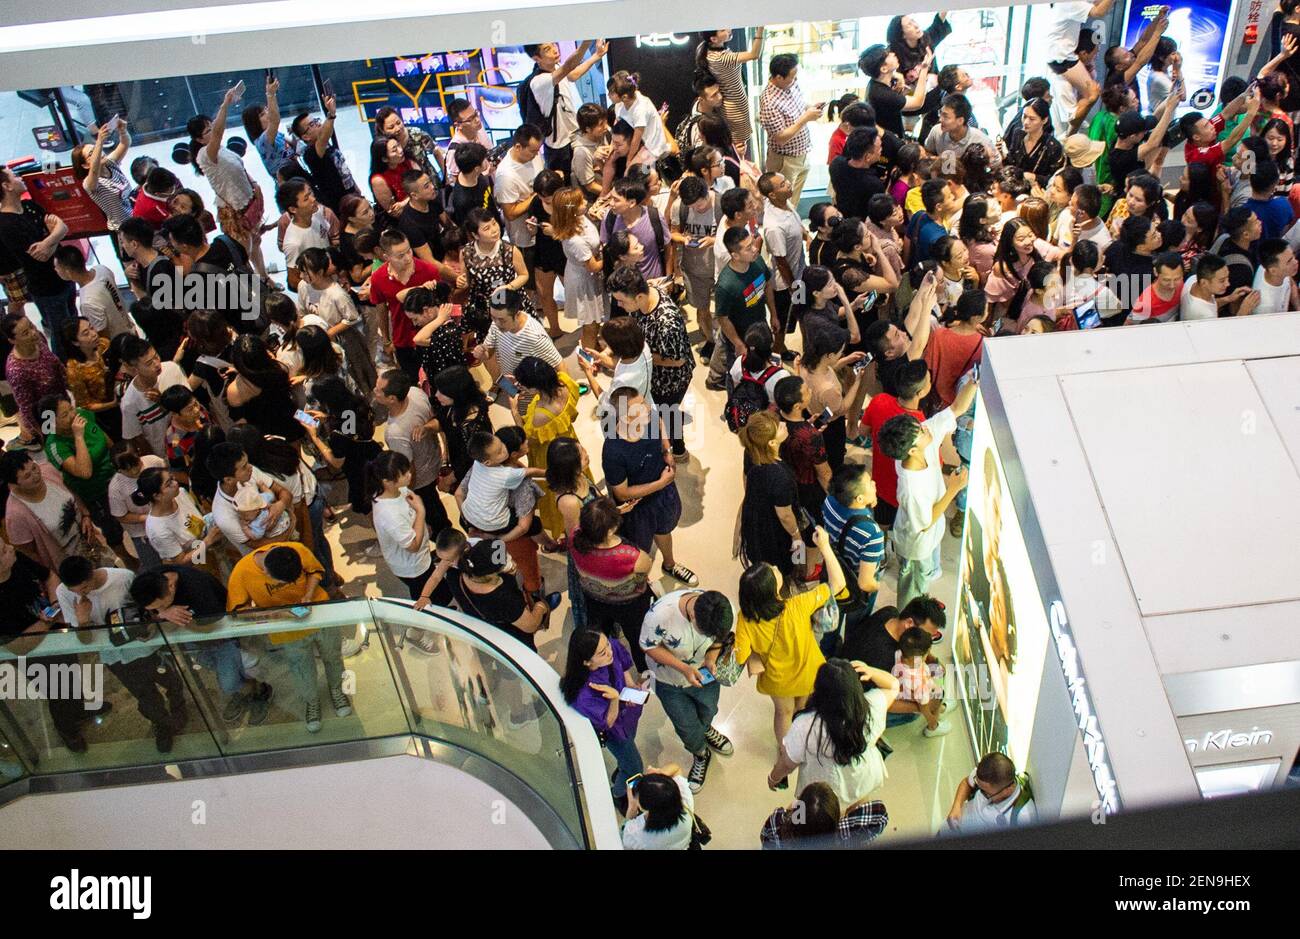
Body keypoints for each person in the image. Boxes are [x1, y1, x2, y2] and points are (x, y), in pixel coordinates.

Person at [57, 555, 189, 753]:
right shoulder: (65, 593)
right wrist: (82, 621)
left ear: (92, 572)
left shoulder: (123, 578)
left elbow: (150, 608)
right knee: (145, 695)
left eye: (84, 587)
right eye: (74, 590)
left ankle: (179, 708)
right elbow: (85, 641)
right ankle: (162, 725)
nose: (82, 594)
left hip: (147, 647)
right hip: (116, 658)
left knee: (172, 681)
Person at [734, 524, 848, 748]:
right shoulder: (798, 605)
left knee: (782, 713)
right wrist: (825, 547)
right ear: (773, 589)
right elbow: (838, 584)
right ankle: (800, 743)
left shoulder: (745, 618)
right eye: (773, 571)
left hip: (777, 680)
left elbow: (740, 657)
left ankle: (785, 751)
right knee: (801, 707)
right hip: (808, 671)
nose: (777, 568)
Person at [226, 542, 349, 733]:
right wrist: (274, 614)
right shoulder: (242, 572)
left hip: (320, 615)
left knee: (333, 655)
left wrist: (308, 594)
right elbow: (238, 611)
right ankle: (311, 701)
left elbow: (315, 571)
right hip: (287, 631)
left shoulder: (297, 549)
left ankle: (337, 690)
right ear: (267, 572)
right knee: (300, 667)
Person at [878, 374, 978, 608]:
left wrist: (975, 381)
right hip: (916, 545)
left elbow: (956, 408)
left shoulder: (923, 439)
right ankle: (913, 620)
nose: (926, 429)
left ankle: (922, 602)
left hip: (930, 535)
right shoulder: (911, 488)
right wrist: (953, 489)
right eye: (920, 432)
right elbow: (924, 522)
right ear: (911, 450)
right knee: (914, 583)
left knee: (927, 574)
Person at [129, 565, 274, 725]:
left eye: (160, 606)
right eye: (154, 609)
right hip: (193, 639)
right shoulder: (152, 580)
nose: (160, 611)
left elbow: (211, 627)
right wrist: (162, 613)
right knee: (215, 667)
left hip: (220, 634)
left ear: (170, 587)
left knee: (228, 683)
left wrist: (180, 618)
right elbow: (154, 612)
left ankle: (259, 691)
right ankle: (244, 687)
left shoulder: (197, 587)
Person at [0, 536, 103, 752]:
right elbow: (18, 646)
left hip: (54, 632)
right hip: (35, 652)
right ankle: (67, 729)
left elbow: (48, 576)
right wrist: (48, 619)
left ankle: (79, 708)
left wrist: (56, 605)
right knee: (56, 690)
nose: (11, 547)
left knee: (71, 672)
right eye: (3, 551)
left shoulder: (17, 559)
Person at [638, 587, 734, 793]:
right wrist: (683, 668)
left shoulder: (723, 610)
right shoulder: (659, 615)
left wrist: (711, 657)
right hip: (669, 681)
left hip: (705, 676)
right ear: (692, 615)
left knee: (708, 709)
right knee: (686, 724)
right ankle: (700, 753)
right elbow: (648, 646)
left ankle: (707, 729)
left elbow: (720, 639)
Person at [766, 657, 900, 801]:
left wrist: (773, 778)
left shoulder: (806, 724)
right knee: (858, 804)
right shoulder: (872, 706)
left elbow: (788, 762)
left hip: (823, 789)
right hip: (863, 778)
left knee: (819, 815)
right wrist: (870, 671)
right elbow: (893, 685)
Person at [601, 386, 697, 586]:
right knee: (638, 549)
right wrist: (661, 483)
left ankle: (669, 564)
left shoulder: (648, 418)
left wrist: (667, 449)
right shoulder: (613, 451)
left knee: (664, 530)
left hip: (663, 496)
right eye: (640, 407)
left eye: (644, 402)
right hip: (637, 509)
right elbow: (622, 492)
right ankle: (641, 582)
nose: (647, 408)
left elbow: (660, 421)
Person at [606, 268, 693, 460]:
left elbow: (678, 360)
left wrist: (639, 354)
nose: (619, 305)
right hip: (652, 372)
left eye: (622, 301)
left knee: (667, 414)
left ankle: (677, 450)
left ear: (638, 297)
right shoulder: (645, 296)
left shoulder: (666, 322)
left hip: (670, 380)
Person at [187, 84, 268, 278]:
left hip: (247, 202)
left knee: (255, 242)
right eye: (207, 130)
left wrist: (254, 185)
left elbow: (239, 168)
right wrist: (225, 105)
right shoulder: (206, 155)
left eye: (211, 126)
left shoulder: (220, 149)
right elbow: (218, 133)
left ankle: (264, 277)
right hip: (234, 210)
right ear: (199, 139)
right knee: (242, 252)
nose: (213, 130)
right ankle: (250, 285)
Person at [561, 628, 645, 809]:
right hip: (615, 731)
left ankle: (623, 768)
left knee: (629, 752)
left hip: (628, 714)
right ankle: (619, 793)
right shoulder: (583, 694)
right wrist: (615, 698)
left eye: (607, 644)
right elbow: (606, 723)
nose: (609, 651)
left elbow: (622, 665)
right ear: (586, 662)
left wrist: (630, 685)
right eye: (602, 652)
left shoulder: (609, 647)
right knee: (636, 767)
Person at [569, 496, 655, 672]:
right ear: (610, 531)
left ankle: (603, 665)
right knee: (636, 637)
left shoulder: (574, 538)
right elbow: (645, 570)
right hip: (630, 605)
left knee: (600, 633)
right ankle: (644, 671)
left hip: (594, 599)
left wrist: (616, 512)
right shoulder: (629, 556)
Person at [37, 392, 126, 562]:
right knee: (114, 530)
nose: (73, 415)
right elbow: (84, 472)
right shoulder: (55, 445)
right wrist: (78, 436)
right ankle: (128, 561)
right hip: (96, 493)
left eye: (71, 408)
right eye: (65, 414)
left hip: (116, 477)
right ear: (51, 422)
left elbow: (107, 442)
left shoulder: (83, 414)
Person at [373, 368, 452, 537]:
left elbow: (408, 469)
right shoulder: (416, 393)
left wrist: (407, 494)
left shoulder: (395, 433)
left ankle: (446, 541)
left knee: (433, 514)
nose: (374, 392)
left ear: (392, 399)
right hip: (433, 456)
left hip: (422, 479)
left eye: (378, 390)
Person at [450, 537, 551, 653]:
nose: (510, 558)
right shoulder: (504, 598)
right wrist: (541, 607)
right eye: (505, 560)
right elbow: (530, 625)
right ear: (491, 573)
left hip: (488, 634)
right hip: (513, 640)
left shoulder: (457, 574)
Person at [1, 450, 98, 570]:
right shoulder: (16, 514)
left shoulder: (48, 470)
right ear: (14, 484)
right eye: (27, 476)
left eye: (34, 468)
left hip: (91, 543)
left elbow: (70, 492)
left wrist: (85, 515)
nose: (36, 475)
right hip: (69, 566)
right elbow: (29, 552)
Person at [367, 228, 443, 382]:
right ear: (386, 256)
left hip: (430, 336)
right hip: (402, 339)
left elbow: (443, 303)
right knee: (413, 380)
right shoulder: (378, 278)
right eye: (400, 255)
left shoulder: (428, 270)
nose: (408, 258)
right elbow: (381, 310)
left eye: (409, 251)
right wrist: (387, 340)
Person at [522, 40, 608, 173]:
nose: (555, 50)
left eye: (553, 45)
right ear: (536, 58)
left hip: (573, 135)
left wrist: (596, 56)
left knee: (584, 175)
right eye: (547, 49)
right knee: (567, 187)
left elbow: (573, 75)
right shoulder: (539, 82)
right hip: (559, 147)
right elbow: (569, 67)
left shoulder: (556, 67)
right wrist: (586, 43)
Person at [735, 410, 803, 578]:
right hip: (774, 531)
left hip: (755, 519)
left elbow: (746, 485)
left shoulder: (752, 452)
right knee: (782, 562)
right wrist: (796, 535)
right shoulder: (780, 477)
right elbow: (785, 515)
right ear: (772, 443)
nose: (784, 424)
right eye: (779, 427)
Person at [821, 465, 885, 619]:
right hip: (856, 579)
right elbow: (865, 583)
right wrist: (877, 585)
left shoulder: (829, 501)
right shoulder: (872, 533)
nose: (874, 483)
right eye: (870, 483)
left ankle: (830, 642)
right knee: (856, 624)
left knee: (834, 615)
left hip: (834, 569)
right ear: (860, 498)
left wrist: (868, 503)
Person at [714, 227, 778, 380]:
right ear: (735, 255)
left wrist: (774, 315)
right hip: (739, 336)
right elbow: (723, 318)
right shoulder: (726, 285)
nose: (756, 248)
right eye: (749, 248)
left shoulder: (757, 261)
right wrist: (738, 344)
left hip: (760, 326)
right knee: (737, 374)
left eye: (753, 243)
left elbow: (767, 285)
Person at [758, 53, 822, 206]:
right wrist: (806, 118)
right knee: (783, 202)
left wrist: (810, 108)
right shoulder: (769, 102)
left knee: (795, 199)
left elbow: (798, 105)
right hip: (785, 160)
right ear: (779, 77)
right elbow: (780, 138)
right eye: (792, 77)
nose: (795, 80)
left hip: (802, 154)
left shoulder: (790, 84)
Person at [2, 312, 67, 451]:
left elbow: (56, 364)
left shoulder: (38, 340)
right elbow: (27, 409)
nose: (33, 333)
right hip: (46, 415)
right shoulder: (17, 370)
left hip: (61, 400)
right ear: (12, 340)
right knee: (60, 446)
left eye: (31, 326)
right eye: (25, 333)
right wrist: (44, 435)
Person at [696, 28, 765, 157]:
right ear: (714, 39)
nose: (729, 30)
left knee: (737, 148)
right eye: (723, 30)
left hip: (732, 106)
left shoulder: (707, 50)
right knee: (739, 151)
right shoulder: (722, 58)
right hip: (734, 110)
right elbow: (754, 54)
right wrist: (760, 30)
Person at [760, 780, 889, 849]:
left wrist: (792, 809)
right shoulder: (848, 831)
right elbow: (880, 813)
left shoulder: (776, 828)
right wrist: (844, 813)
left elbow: (765, 837)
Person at [553, 186, 606, 349]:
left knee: (596, 319)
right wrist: (610, 253)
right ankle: (589, 354)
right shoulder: (574, 240)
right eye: (580, 201)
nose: (586, 202)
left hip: (586, 276)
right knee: (590, 323)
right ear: (572, 210)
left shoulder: (580, 219)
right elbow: (594, 267)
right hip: (583, 282)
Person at [290, 92, 360, 215]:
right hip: (340, 205)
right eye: (312, 124)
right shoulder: (311, 154)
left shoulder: (327, 145)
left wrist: (356, 189)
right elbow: (323, 136)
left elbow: (344, 171)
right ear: (305, 136)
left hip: (352, 194)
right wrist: (331, 114)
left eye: (316, 120)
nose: (318, 123)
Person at [774, 375, 831, 525]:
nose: (811, 391)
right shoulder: (811, 437)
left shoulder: (772, 416)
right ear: (797, 406)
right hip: (806, 486)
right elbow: (824, 473)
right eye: (806, 391)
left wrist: (807, 425)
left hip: (784, 477)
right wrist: (835, 499)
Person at [72, 118, 134, 249]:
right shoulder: (90, 183)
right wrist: (99, 141)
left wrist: (123, 131)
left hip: (137, 219)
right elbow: (94, 170)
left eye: (96, 149)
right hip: (123, 231)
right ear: (84, 165)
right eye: (92, 154)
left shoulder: (110, 164)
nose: (98, 153)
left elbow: (125, 144)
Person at [493, 124, 546, 275]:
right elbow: (510, 212)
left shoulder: (534, 155)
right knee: (529, 281)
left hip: (542, 228)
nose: (536, 155)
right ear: (518, 147)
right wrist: (537, 195)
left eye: (538, 151)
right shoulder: (506, 175)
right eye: (533, 151)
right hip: (524, 238)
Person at [52, 245, 135, 340]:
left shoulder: (88, 302)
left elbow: (103, 336)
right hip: (129, 327)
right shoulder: (101, 269)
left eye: (57, 267)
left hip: (120, 343)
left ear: (68, 272)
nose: (55, 270)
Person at [945, 752, 1038, 832]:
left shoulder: (1024, 817)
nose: (981, 793)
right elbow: (967, 783)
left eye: (986, 793)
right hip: (953, 825)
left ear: (1007, 790)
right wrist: (956, 806)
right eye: (979, 787)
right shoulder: (986, 774)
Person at [859, 44, 934, 139]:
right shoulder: (882, 94)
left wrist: (898, 77)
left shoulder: (874, 84)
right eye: (888, 55)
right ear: (883, 68)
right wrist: (924, 68)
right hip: (889, 146)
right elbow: (917, 102)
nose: (893, 54)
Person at [621, 767, 697, 850]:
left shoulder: (635, 833)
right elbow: (676, 769)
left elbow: (624, 842)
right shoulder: (686, 801)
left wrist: (632, 808)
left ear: (644, 807)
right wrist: (659, 772)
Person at [1253, 239, 1300, 316]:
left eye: (1293, 255)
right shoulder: (1265, 308)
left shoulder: (1268, 266)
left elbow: (1291, 283)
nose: (1295, 262)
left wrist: (1298, 307)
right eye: (1289, 261)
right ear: (1273, 271)